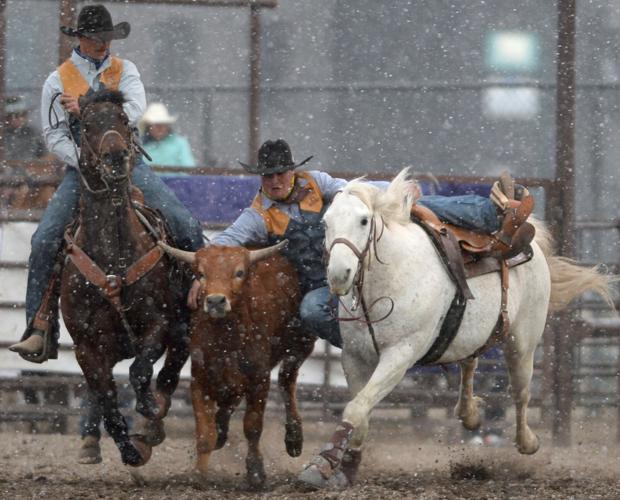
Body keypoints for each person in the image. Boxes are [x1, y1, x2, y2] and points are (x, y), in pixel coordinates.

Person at [187, 139, 533, 349]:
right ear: (261, 178)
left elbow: (353, 192)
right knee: (310, 311)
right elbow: (224, 243)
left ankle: (492, 212)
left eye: (280, 172)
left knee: (403, 205)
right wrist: (203, 275)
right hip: (324, 285)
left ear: (292, 172)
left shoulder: (317, 183)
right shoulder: (258, 214)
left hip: (359, 269)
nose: (275, 180)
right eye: (268, 175)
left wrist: (392, 191)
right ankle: (362, 347)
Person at [9, 4, 203, 361]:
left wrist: (87, 108)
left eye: (107, 39)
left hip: (128, 163)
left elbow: (134, 110)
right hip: (82, 171)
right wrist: (84, 161)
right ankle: (39, 326)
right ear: (81, 38)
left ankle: (194, 305)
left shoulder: (125, 70)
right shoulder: (57, 80)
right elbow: (54, 136)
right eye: (98, 39)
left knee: (185, 223)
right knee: (45, 239)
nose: (104, 45)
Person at [140, 102, 196, 168]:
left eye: (162, 124)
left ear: (167, 126)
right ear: (148, 127)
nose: (160, 128)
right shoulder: (140, 146)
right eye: (156, 124)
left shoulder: (180, 143)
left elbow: (189, 170)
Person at [3, 96, 46, 161]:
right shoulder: (3, 135)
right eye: (11, 116)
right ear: (6, 118)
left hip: (30, 169)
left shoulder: (34, 134)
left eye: (20, 115)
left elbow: (46, 157)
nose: (15, 119)